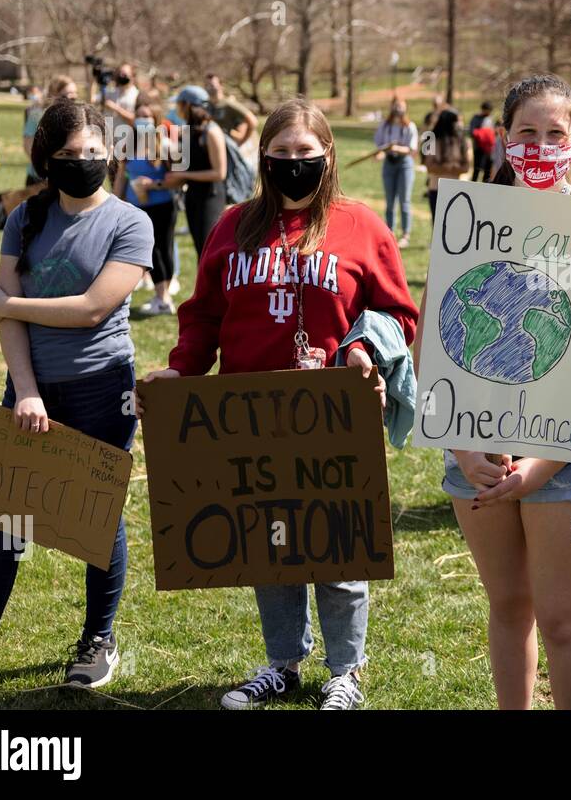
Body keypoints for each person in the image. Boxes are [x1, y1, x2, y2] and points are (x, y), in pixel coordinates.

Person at [139, 99, 418, 710]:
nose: (295, 163)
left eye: (306, 153)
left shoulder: (361, 226)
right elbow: (205, 314)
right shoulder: (234, 225)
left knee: (336, 545)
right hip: (251, 413)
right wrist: (181, 370)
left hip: (332, 411)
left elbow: (400, 310)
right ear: (264, 157)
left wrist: (365, 345)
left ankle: (346, 669)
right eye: (282, 153)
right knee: (271, 542)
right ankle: (283, 662)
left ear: (328, 157)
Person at [416, 73, 571, 709]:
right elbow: (431, 342)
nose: (540, 146)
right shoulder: (467, 218)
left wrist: (546, 463)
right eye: (526, 133)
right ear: (504, 139)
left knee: (563, 619)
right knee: (508, 607)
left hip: (566, 458)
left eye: (555, 134)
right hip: (474, 452)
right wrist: (461, 447)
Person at [0, 99, 153, 710]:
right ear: (46, 160)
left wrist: (9, 303)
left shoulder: (132, 223)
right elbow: (8, 316)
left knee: (96, 514)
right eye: (67, 155)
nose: (82, 163)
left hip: (104, 387)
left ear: (110, 153)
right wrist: (24, 388)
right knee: (4, 523)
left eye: (92, 152)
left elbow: (91, 308)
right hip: (31, 386)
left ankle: (97, 638)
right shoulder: (24, 218)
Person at [113, 101, 179, 316]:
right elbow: (122, 176)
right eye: (139, 115)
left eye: (147, 116)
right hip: (137, 208)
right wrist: (115, 201)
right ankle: (163, 297)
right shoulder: (127, 145)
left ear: (156, 120)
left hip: (163, 205)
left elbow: (177, 179)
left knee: (163, 248)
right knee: (152, 250)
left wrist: (153, 185)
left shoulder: (166, 146)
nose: (143, 120)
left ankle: (163, 296)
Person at [166, 85, 228, 257]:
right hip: (193, 196)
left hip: (210, 197)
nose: (177, 109)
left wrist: (184, 175)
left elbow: (219, 173)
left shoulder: (212, 131)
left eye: (179, 104)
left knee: (209, 250)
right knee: (200, 250)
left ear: (188, 105)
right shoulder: (189, 131)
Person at [374, 99, 419, 247]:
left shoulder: (410, 126)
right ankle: (390, 233)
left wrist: (396, 148)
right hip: (389, 164)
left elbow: (412, 149)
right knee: (390, 201)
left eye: (401, 107)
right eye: (396, 107)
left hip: (404, 164)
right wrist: (381, 153)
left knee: (404, 201)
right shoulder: (385, 126)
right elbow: (379, 145)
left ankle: (406, 235)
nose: (398, 110)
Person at [421, 107, 470, 218]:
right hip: (436, 189)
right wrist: (450, 167)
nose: (460, 124)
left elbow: (466, 167)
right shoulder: (431, 139)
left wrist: (447, 167)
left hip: (456, 190)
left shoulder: (462, 141)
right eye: (457, 121)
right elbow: (429, 166)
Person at [205, 73, 260, 163]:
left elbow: (253, 121)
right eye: (207, 85)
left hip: (232, 150)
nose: (209, 88)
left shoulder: (228, 104)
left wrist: (242, 141)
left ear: (221, 86)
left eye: (212, 85)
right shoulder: (207, 106)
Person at [470, 101, 497, 182]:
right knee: (477, 168)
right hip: (479, 147)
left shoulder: (490, 118)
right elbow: (472, 131)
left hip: (489, 148)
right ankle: (473, 185)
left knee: (487, 169)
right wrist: (482, 135)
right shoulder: (476, 118)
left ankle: (485, 185)